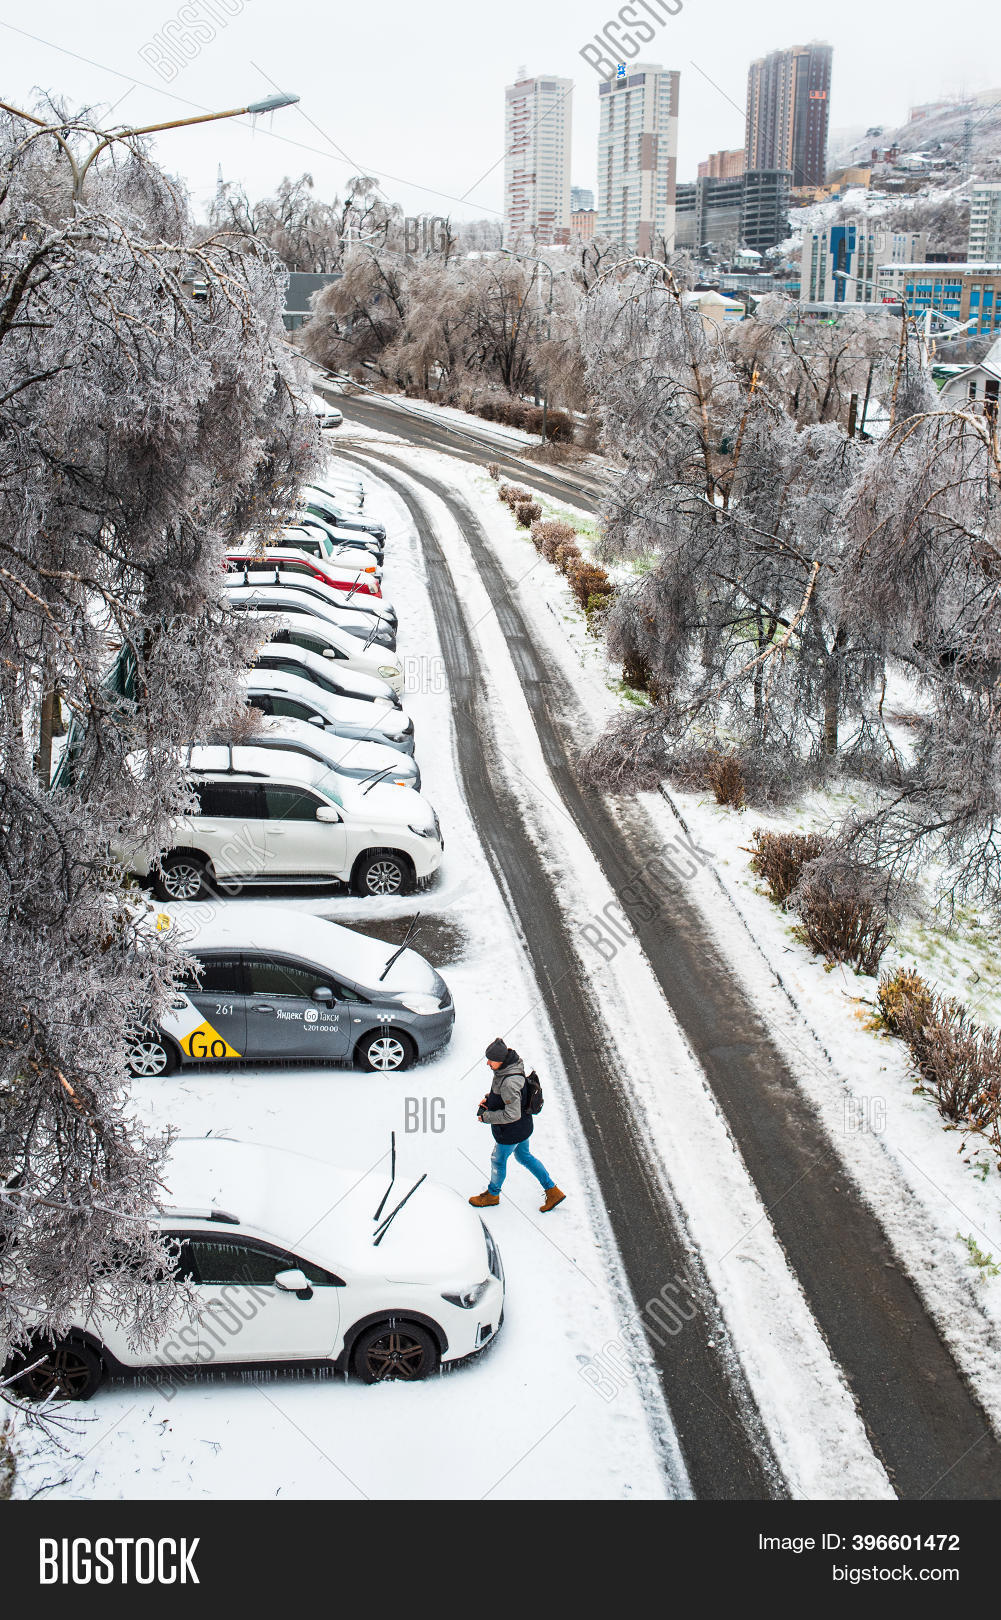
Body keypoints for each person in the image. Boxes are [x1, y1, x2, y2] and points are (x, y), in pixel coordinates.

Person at [469, 1038, 565, 1213]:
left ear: (500, 1060)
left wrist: (487, 1117)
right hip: (523, 1127)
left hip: (511, 1132)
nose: (488, 1063)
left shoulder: (509, 1081)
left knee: (498, 1160)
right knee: (524, 1156)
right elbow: (510, 1097)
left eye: (491, 1060)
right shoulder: (510, 1067)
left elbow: (511, 1113)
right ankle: (553, 1191)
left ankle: (492, 1195)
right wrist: (490, 1099)